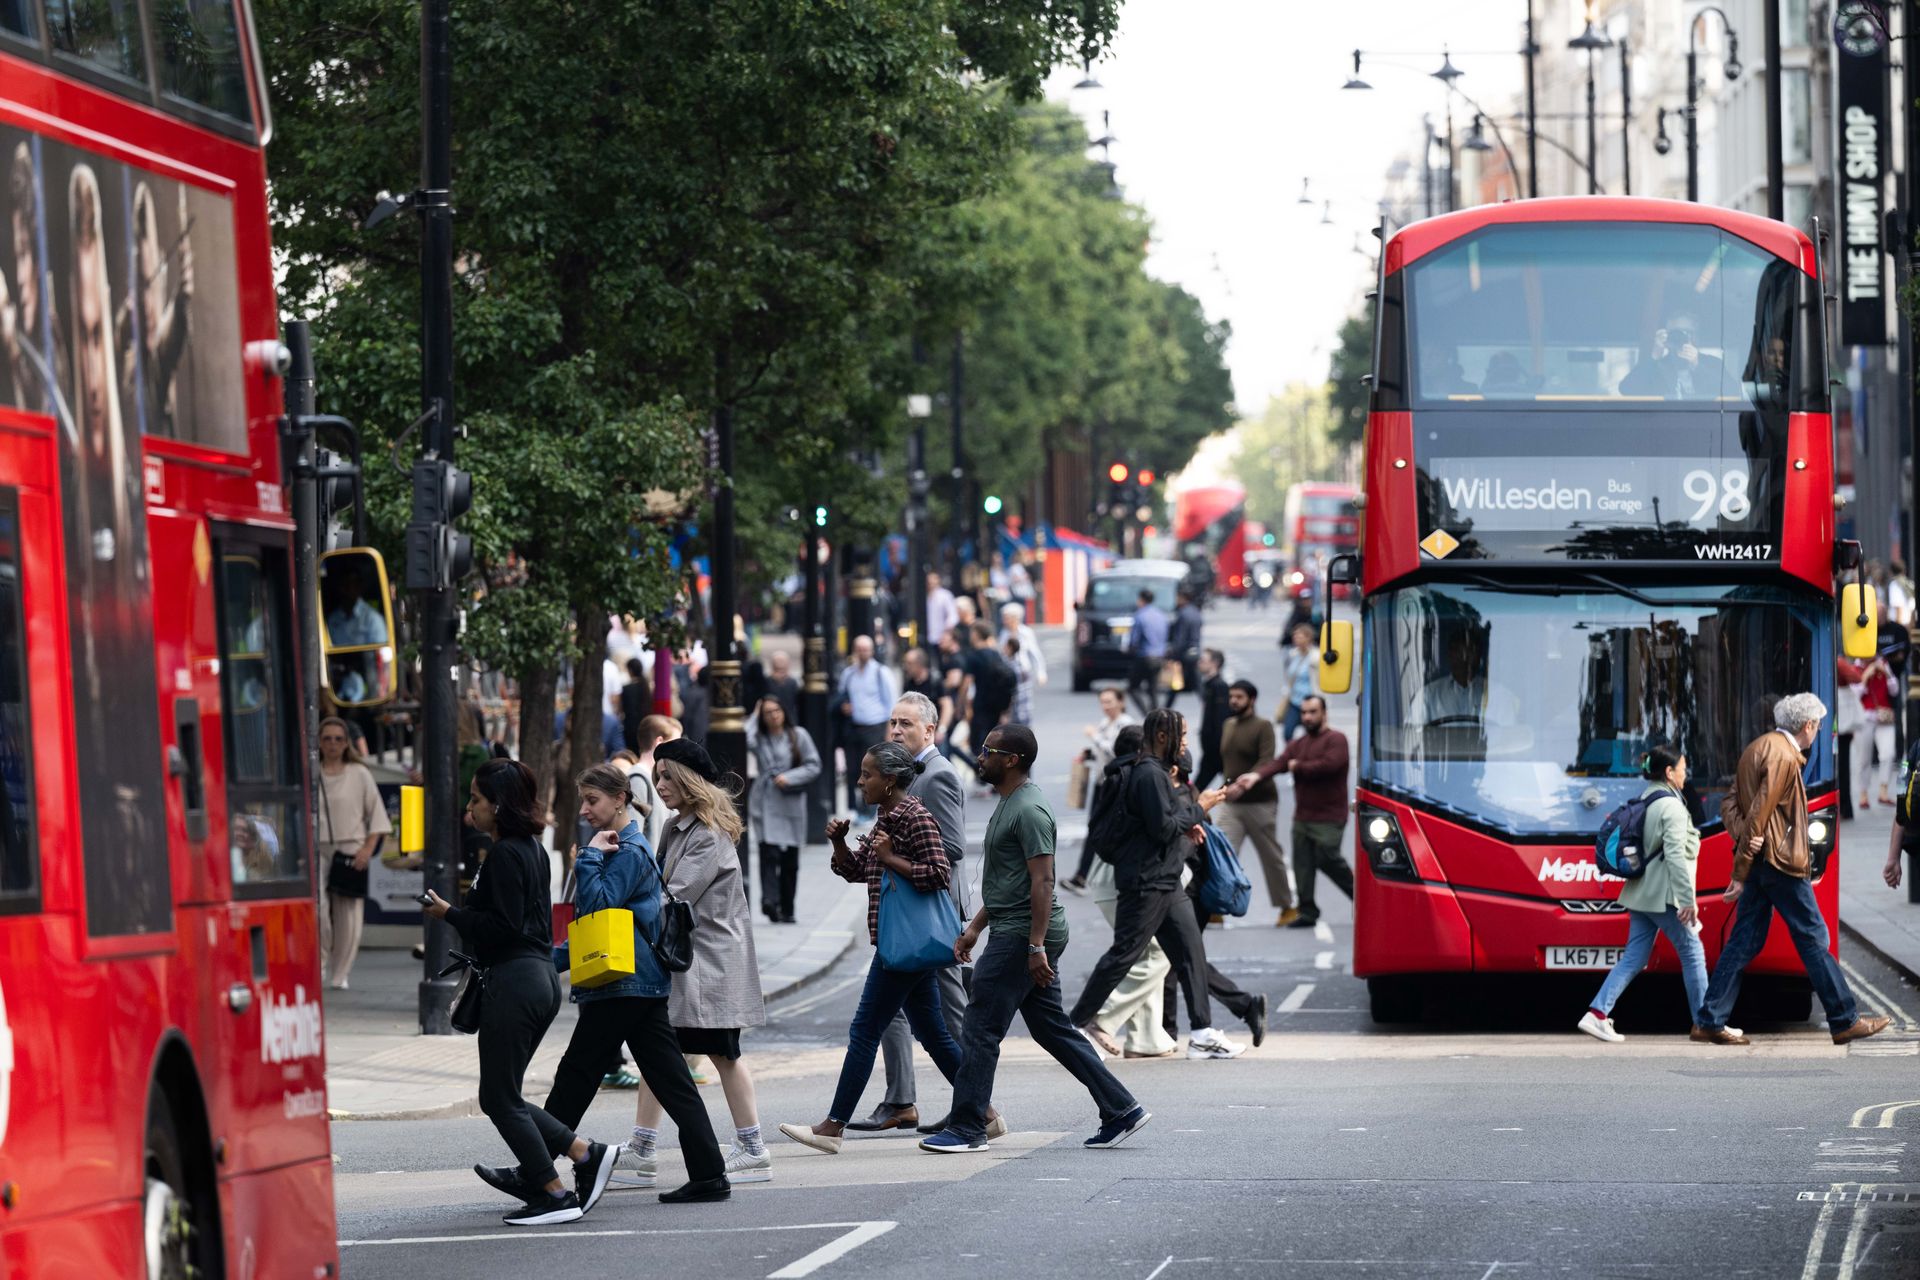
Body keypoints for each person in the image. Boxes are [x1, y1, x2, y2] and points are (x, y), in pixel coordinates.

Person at [480, 764, 729, 1206]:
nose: (585, 810)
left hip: (623, 984)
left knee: (576, 1077)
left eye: (593, 801)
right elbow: (593, 928)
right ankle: (709, 1172)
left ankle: (536, 1171)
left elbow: (596, 908)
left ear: (621, 800)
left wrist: (588, 857)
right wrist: (546, 959)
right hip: (633, 982)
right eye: (582, 801)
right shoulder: (622, 848)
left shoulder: (628, 851)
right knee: (667, 1081)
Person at [920, 725, 1151, 1154]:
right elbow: (1009, 881)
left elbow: (1042, 881)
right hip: (1014, 928)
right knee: (1052, 1029)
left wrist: (1035, 946)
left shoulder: (1030, 810)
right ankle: (1121, 1108)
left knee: (980, 1027)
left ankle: (968, 1128)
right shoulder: (1010, 802)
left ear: (1011, 760)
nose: (980, 755)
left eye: (988, 750)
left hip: (1023, 935)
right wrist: (975, 927)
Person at [780, 744, 1004, 1154]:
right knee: (932, 1032)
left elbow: (939, 873)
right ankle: (985, 1114)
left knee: (865, 1030)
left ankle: (832, 1127)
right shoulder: (885, 815)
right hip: (898, 942)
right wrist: (840, 844)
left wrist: (891, 858)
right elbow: (857, 871)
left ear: (890, 781)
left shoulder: (915, 816)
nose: (860, 781)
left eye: (867, 775)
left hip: (905, 945)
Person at [422, 760, 619, 1226]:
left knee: (499, 1095)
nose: (470, 808)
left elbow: (503, 927)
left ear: (499, 804)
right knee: (501, 1093)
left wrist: (449, 913)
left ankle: (555, 1191)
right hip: (535, 978)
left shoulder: (508, 854)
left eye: (476, 799)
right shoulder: (530, 849)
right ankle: (581, 1154)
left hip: (516, 982)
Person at [1692, 694, 1890, 1047]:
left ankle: (1709, 1019)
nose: (1817, 731)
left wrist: (1747, 850)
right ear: (1808, 726)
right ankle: (1845, 1019)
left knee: (1744, 940)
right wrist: (1741, 870)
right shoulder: (1783, 756)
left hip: (1763, 861)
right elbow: (1758, 814)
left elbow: (1730, 804)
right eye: (1818, 724)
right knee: (1813, 938)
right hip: (1781, 863)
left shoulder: (1758, 746)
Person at [620, 739, 770, 1189]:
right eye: (658, 775)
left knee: (722, 1054)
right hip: (691, 964)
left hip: (711, 966)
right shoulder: (677, 827)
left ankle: (753, 1148)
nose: (659, 784)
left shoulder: (707, 834)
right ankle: (643, 1149)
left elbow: (674, 893)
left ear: (688, 780)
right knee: (661, 1055)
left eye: (667, 776)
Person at [1067, 708, 1243, 1059]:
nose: (1187, 743)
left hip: (1165, 877)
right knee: (1124, 953)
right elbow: (1162, 827)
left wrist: (1186, 820)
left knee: (1190, 952)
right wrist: (1200, 807)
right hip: (1145, 880)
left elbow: (1162, 823)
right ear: (1164, 737)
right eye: (1184, 736)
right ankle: (1076, 1025)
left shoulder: (1156, 772)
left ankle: (1203, 1032)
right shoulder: (1149, 774)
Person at [852, 692, 975, 1135]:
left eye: (906, 723)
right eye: (893, 723)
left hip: (929, 915)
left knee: (947, 1017)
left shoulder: (937, 775)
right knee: (901, 1014)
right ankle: (902, 1101)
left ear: (929, 730)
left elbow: (954, 848)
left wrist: (895, 854)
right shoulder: (897, 778)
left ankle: (975, 1104)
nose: (897, 730)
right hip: (902, 914)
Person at [1576, 747, 1712, 1043]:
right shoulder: (1673, 807)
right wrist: (1687, 899)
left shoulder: (1647, 799)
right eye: (1683, 768)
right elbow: (1675, 855)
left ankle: (1597, 1014)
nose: (1686, 773)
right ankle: (1705, 1023)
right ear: (1668, 772)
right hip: (1663, 895)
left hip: (1641, 894)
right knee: (1692, 953)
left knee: (1635, 956)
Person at [1214, 680, 1297, 927]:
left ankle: (1286, 908)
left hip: (1260, 803)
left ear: (1252, 700)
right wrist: (1225, 789)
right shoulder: (1228, 724)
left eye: (1239, 697)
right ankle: (1215, 907)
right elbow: (1226, 763)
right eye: (1232, 696)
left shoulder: (1263, 726)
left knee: (1271, 857)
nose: (1233, 701)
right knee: (1221, 854)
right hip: (1231, 804)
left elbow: (1266, 760)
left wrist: (1244, 784)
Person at [317, 716, 392, 989]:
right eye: (327, 738)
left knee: (348, 911)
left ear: (346, 742)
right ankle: (321, 960)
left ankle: (340, 972)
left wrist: (367, 850)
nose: (333, 744)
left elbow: (377, 816)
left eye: (338, 738)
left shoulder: (359, 773)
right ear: (319, 742)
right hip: (318, 846)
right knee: (318, 909)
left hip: (351, 846)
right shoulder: (312, 773)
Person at [747, 694, 822, 924]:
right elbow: (743, 735)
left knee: (790, 856)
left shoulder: (798, 735)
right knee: (768, 852)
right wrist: (754, 712)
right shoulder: (759, 737)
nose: (773, 716)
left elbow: (814, 765)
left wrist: (789, 777)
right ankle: (769, 901)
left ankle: (787, 907)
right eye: (767, 712)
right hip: (765, 799)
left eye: (776, 710)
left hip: (789, 800)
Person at [1062, 689, 1136, 894]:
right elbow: (1100, 753)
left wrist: (1094, 738)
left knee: (1106, 829)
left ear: (1121, 701)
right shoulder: (1105, 723)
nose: (1105, 706)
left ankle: (1085, 876)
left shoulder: (1125, 724)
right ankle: (1082, 876)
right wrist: (1087, 754)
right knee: (1096, 828)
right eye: (1102, 702)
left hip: (1116, 784)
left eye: (1109, 701)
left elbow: (1115, 752)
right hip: (1101, 782)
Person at [836, 635, 897, 816]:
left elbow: (891, 704)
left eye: (866, 649)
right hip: (854, 726)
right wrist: (844, 706)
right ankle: (854, 807)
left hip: (875, 726)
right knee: (853, 768)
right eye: (859, 649)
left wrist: (889, 732)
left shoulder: (881, 672)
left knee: (873, 770)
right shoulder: (848, 673)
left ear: (871, 651)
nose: (862, 653)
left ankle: (870, 808)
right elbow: (841, 695)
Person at [948, 620, 1017, 775]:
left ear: (977, 635)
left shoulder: (973, 657)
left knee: (978, 743)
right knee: (993, 742)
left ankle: (985, 774)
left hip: (981, 705)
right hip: (996, 705)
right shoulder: (996, 654)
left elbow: (966, 684)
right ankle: (995, 774)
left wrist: (960, 706)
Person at [1620, 313, 1726, 399]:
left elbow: (1731, 391)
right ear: (1667, 335)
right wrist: (1655, 355)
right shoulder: (1656, 367)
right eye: (1675, 333)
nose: (1680, 336)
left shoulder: (1712, 364)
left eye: (1687, 332)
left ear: (1696, 337)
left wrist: (1697, 365)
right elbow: (1627, 389)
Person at [1857, 655, 1897, 810]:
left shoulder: (1884, 664)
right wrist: (1866, 675)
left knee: (1888, 754)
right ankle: (1863, 794)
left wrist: (1886, 673)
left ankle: (1883, 791)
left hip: (1884, 716)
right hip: (1865, 717)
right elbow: (1856, 694)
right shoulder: (1856, 667)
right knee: (1864, 758)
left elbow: (1895, 690)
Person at [1125, 589, 1170, 718]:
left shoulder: (1140, 615)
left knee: (1133, 687)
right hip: (1159, 656)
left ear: (1141, 600)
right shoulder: (1161, 615)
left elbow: (1134, 640)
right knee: (1153, 689)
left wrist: (1129, 649)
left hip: (1144, 656)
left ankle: (1147, 714)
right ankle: (1156, 716)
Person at [1191, 649, 1231, 791]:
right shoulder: (1208, 684)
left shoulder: (1219, 686)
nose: (1199, 663)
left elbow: (1221, 720)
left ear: (1215, 663)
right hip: (1211, 749)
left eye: (1203, 660)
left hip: (1215, 750)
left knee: (1197, 790)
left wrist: (1216, 745)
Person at [1275, 625, 1318, 742]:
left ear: (1309, 638)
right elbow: (1289, 677)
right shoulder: (1293, 655)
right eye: (1295, 637)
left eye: (1300, 637)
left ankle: (1307, 756)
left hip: (1310, 700)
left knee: (1311, 734)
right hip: (1294, 700)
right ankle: (1292, 755)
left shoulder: (1316, 656)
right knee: (1287, 732)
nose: (1296, 639)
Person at [1163, 589, 1203, 709]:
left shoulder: (1183, 614)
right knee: (1196, 683)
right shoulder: (1196, 612)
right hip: (1194, 651)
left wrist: (1172, 652)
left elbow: (1180, 637)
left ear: (1183, 598)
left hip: (1184, 654)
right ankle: (1207, 704)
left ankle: (1166, 708)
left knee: (1176, 683)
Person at [619, 657, 652, 753]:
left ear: (630, 670)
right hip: (644, 724)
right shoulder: (646, 687)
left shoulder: (626, 689)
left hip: (630, 726)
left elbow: (622, 708)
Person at [763, 649, 802, 725]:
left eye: (783, 670)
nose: (780, 674)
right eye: (777, 669)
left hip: (790, 721)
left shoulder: (792, 683)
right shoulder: (766, 682)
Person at [1005, 635, 1035, 726]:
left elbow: (1012, 692)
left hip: (1016, 712)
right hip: (1026, 710)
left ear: (1010, 648)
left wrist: (1006, 712)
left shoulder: (1010, 668)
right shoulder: (1023, 667)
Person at [927, 571, 958, 646]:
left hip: (942, 637)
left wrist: (946, 632)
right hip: (928, 637)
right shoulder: (924, 596)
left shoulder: (945, 595)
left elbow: (953, 616)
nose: (931, 583)